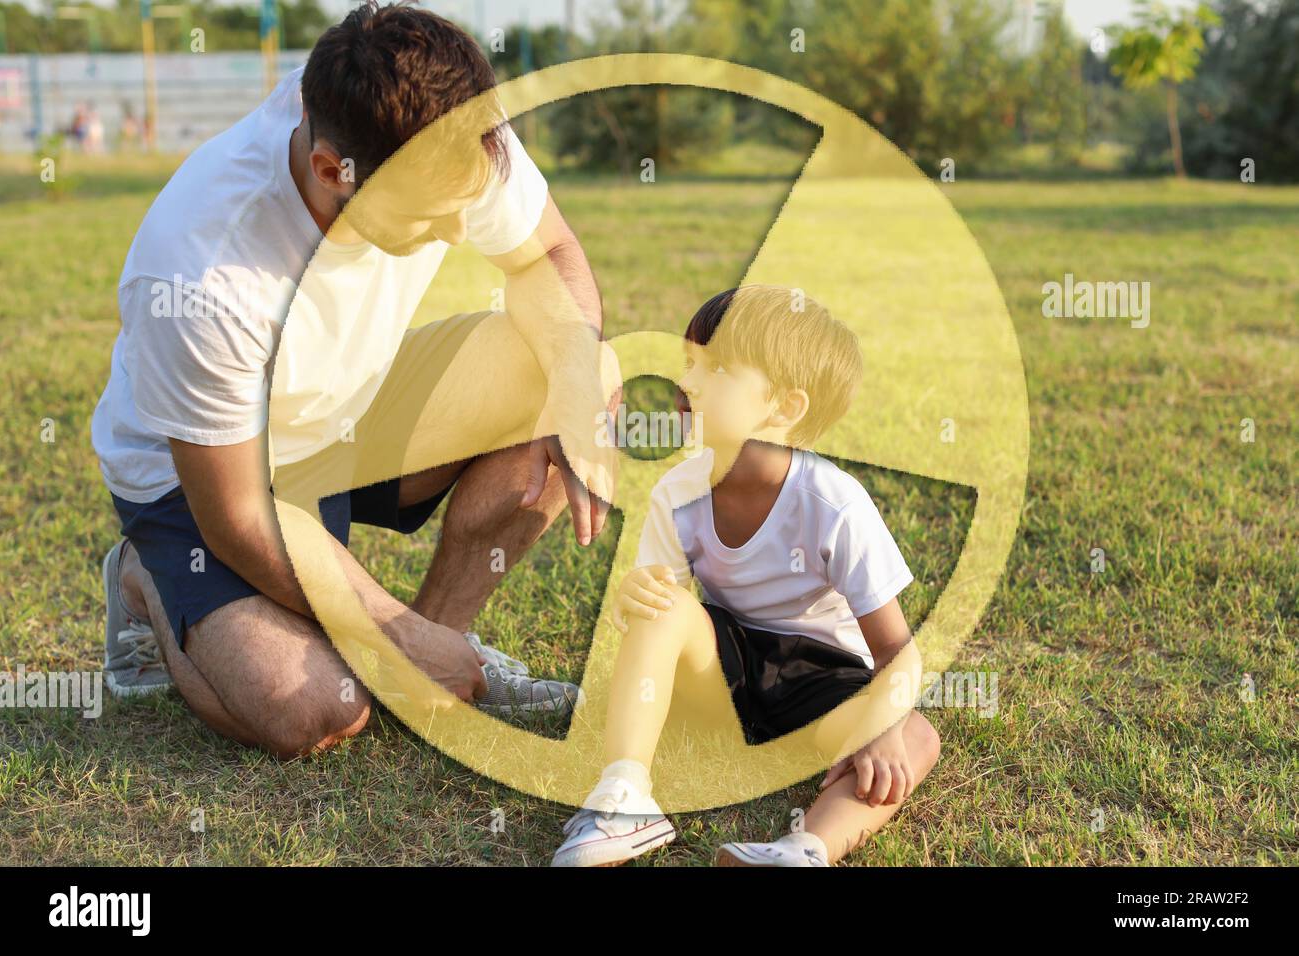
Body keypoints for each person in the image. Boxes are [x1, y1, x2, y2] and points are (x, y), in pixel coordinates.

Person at [92, 2, 618, 759]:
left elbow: (548, 255)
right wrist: (391, 633)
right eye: (433, 215)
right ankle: (146, 578)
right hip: (205, 483)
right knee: (316, 709)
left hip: (345, 409)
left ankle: (434, 663)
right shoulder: (204, 271)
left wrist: (574, 382)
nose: (458, 230)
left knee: (584, 364)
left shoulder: (449, 132)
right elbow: (237, 519)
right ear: (332, 172)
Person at [551, 285, 941, 867]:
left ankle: (804, 850)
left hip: (821, 687)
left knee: (918, 738)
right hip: (723, 682)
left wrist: (882, 726)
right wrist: (635, 597)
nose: (687, 382)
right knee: (663, 605)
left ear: (784, 408)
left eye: (718, 367)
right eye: (690, 362)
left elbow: (896, 652)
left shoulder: (833, 503)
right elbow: (654, 623)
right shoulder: (677, 493)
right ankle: (624, 797)